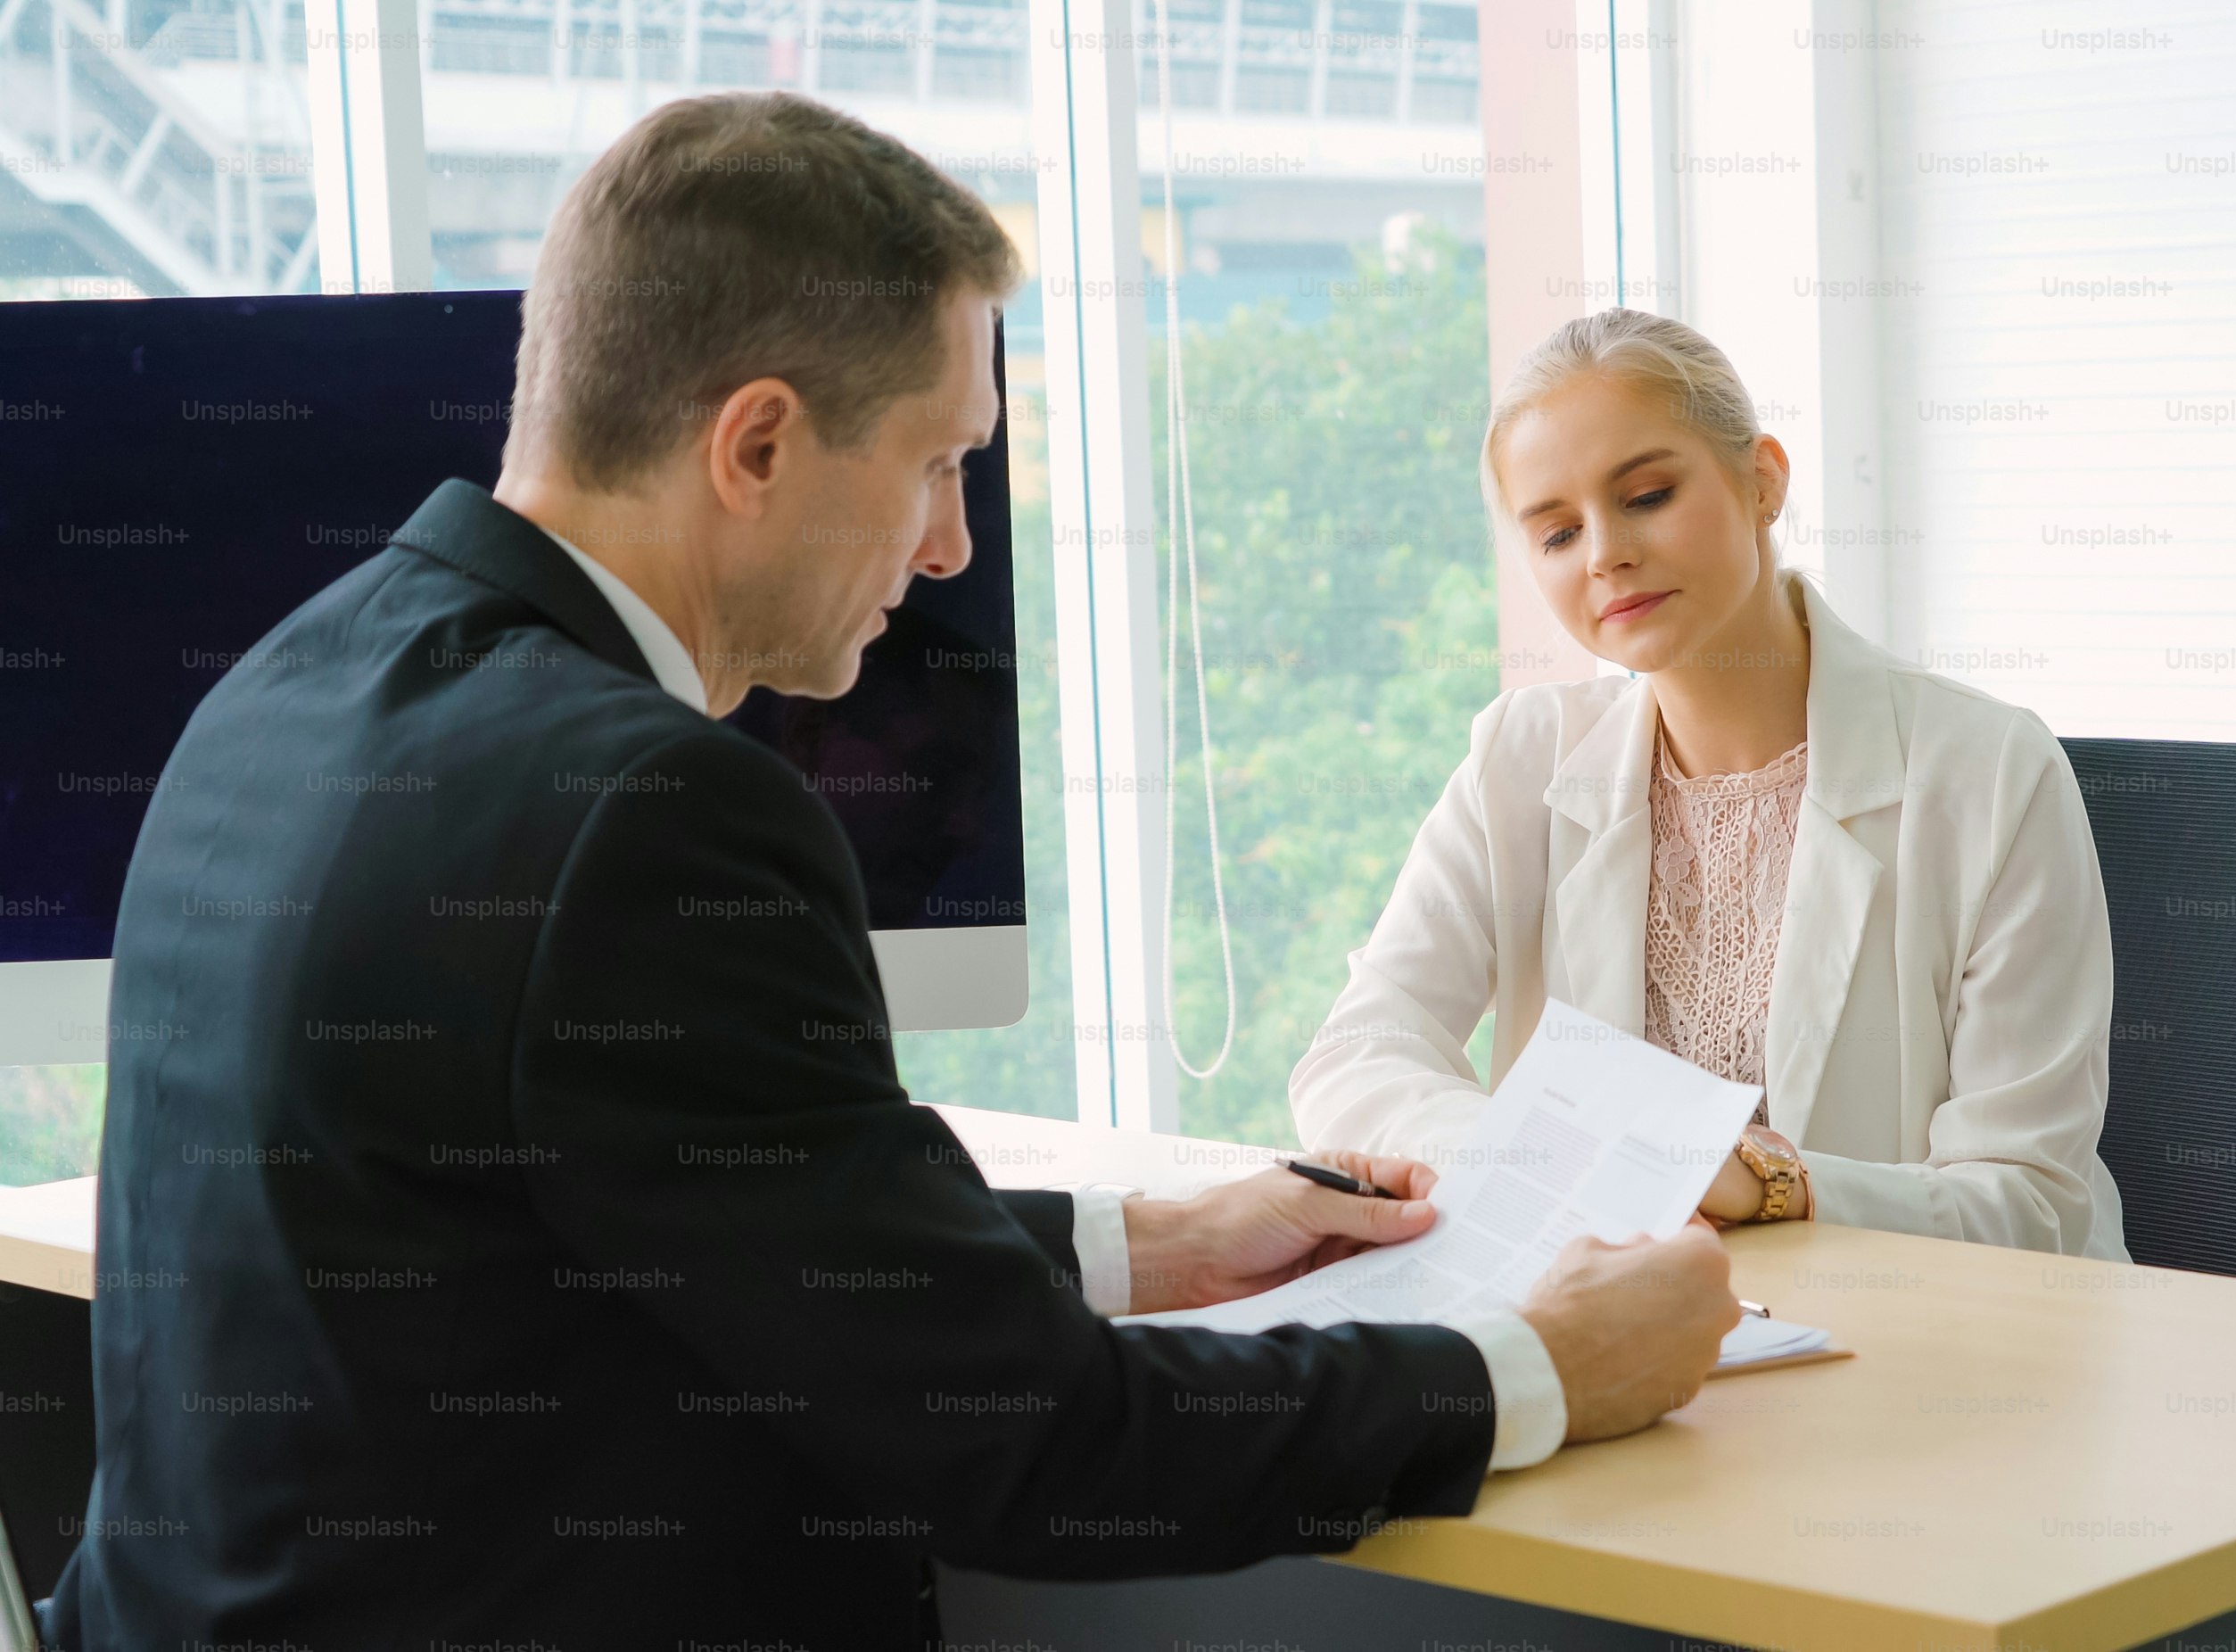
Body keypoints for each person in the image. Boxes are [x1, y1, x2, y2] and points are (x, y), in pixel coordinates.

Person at [40, 95, 1735, 1649]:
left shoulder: (289, 680)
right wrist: (1530, 1367)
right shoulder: (651, 812)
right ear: (757, 445)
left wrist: (1147, 1243)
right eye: (937, 461)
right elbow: (1034, 1448)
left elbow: (625, 1229)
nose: (949, 546)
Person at [1291, 309, 2129, 1260]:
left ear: (1761, 480)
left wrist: (1771, 1183)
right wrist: (1567, 1158)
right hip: (1638, 1331)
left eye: (1645, 495)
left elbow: (2027, 1206)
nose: (1603, 551)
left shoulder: (1988, 772)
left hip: (1941, 1340)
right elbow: (1356, 1055)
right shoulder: (1518, 757)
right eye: (1557, 532)